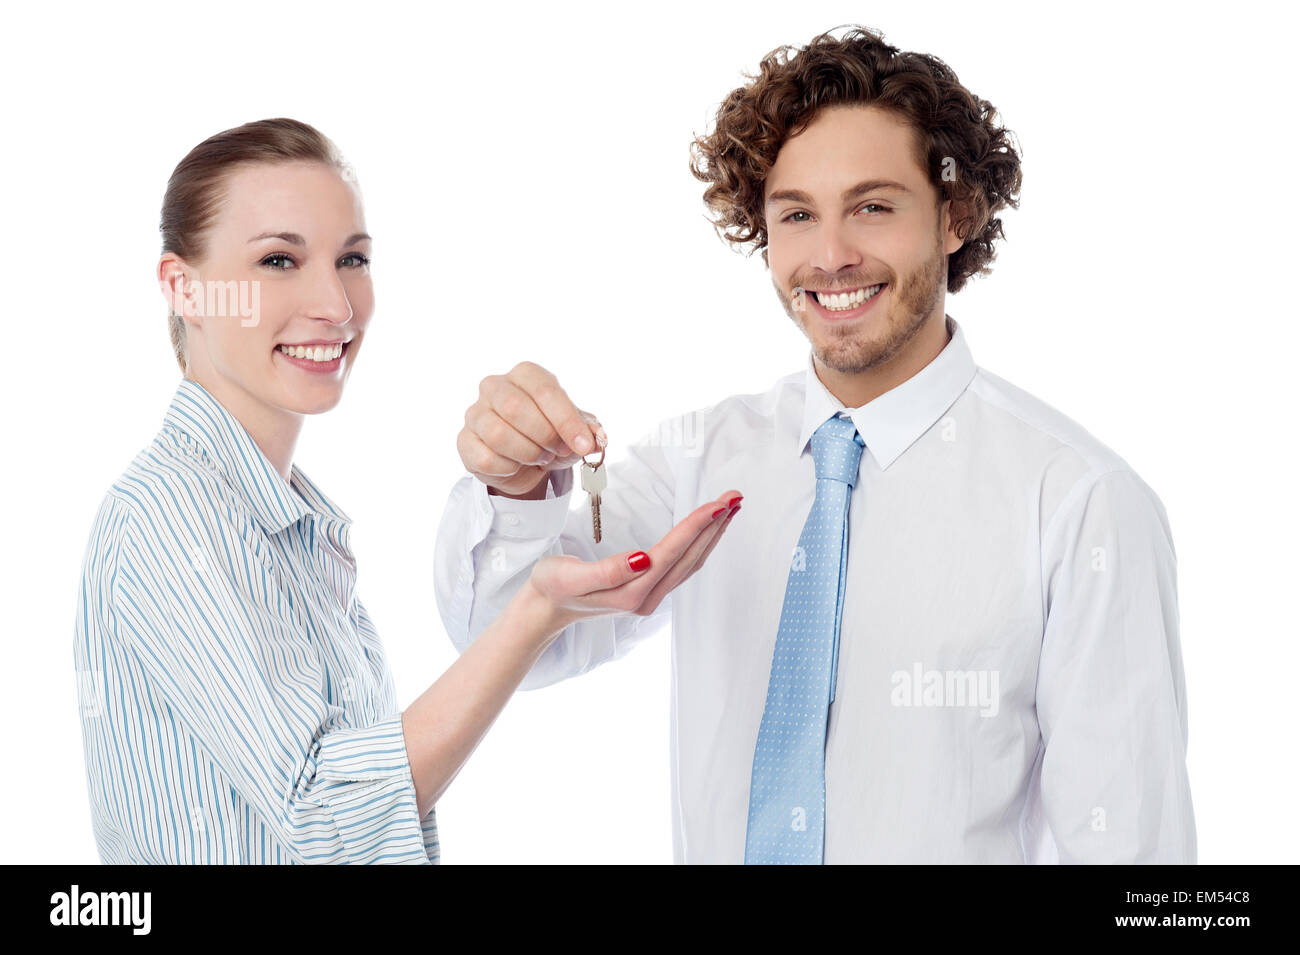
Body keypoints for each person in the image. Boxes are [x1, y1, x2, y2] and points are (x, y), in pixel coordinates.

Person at [434, 26, 1196, 863]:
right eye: (797, 214)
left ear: (954, 214)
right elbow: (512, 643)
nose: (831, 256)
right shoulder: (696, 461)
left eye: (873, 205)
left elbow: (1134, 854)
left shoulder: (1081, 504)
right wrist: (512, 493)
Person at [72, 117, 741, 864]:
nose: (336, 303)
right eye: (279, 260)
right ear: (182, 287)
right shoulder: (171, 517)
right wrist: (535, 614)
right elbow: (330, 819)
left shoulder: (275, 517)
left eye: (352, 258)